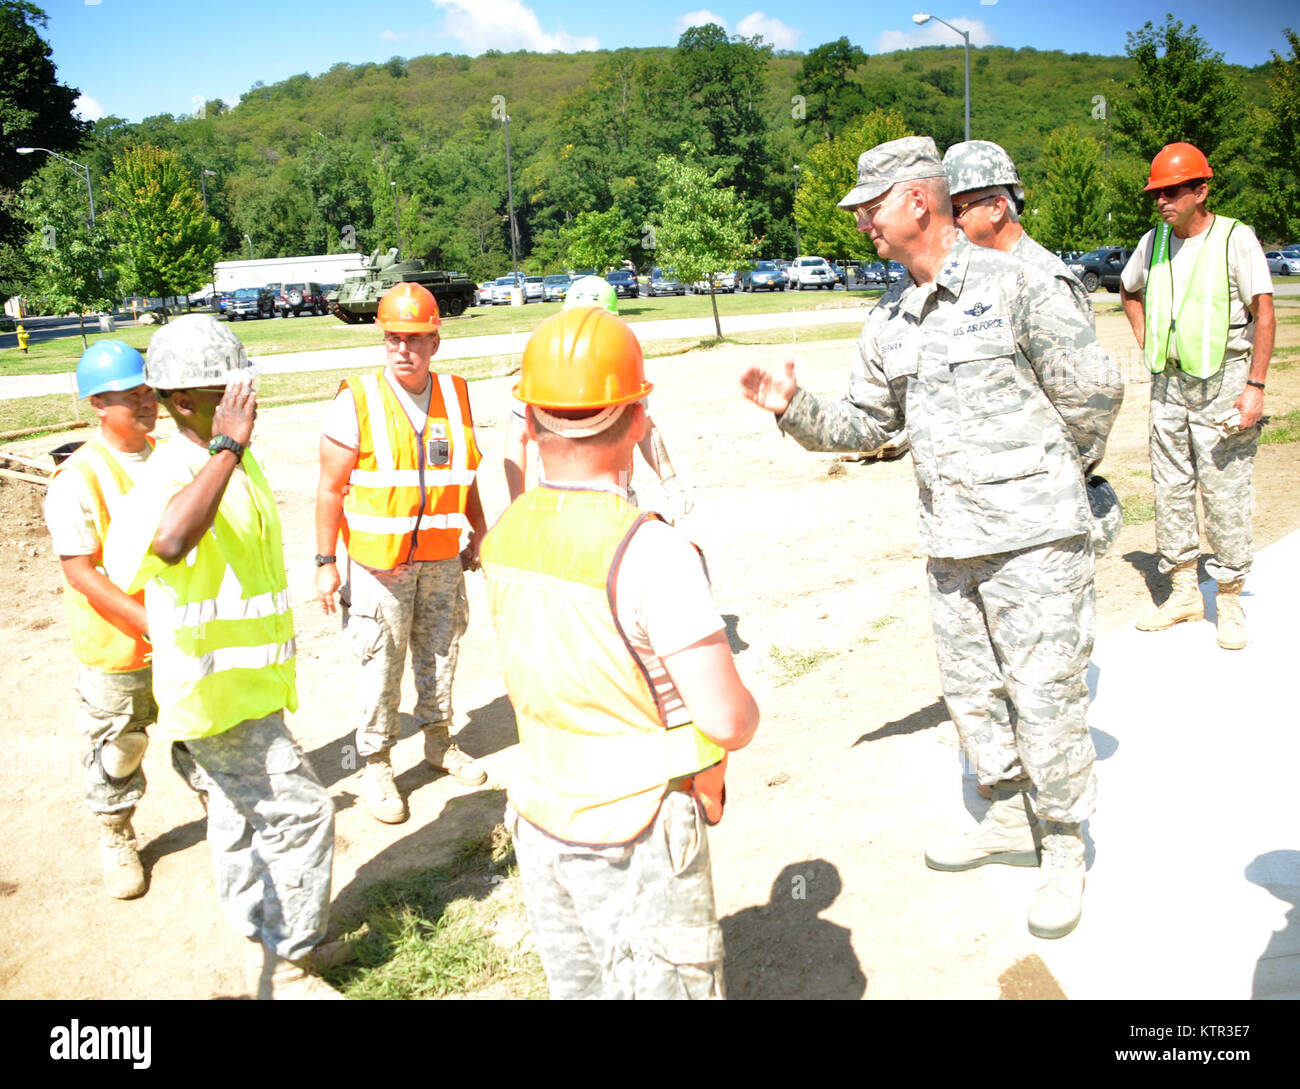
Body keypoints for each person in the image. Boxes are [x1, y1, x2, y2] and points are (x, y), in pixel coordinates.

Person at [739, 136, 1123, 940]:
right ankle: (1010, 818)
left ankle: (1063, 846)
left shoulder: (1021, 280)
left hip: (1035, 541)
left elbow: (1091, 394)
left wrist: (1049, 484)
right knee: (976, 698)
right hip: (951, 545)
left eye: (871, 207)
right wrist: (792, 407)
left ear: (918, 199)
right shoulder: (890, 319)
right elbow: (871, 423)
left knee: (1046, 695)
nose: (861, 224)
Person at [482, 305, 759, 997]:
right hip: (637, 830)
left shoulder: (508, 530)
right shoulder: (652, 551)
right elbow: (729, 720)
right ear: (637, 420)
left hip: (542, 819)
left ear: (531, 423)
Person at [104, 314, 339, 999]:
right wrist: (228, 448)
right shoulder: (178, 469)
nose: (247, 398)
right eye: (229, 389)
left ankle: (252, 943)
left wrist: (231, 447)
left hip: (249, 686)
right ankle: (287, 968)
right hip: (214, 696)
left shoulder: (227, 453)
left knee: (240, 819)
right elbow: (169, 542)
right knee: (302, 814)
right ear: (183, 401)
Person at [315, 281, 488, 825]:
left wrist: (477, 530)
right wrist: (324, 563)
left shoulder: (457, 394)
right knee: (380, 663)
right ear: (382, 337)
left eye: (414, 338)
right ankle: (377, 764)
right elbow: (328, 487)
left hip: (441, 559)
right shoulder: (357, 399)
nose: (403, 349)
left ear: (435, 340)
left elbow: (466, 473)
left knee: (441, 653)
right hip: (377, 566)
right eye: (393, 337)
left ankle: (439, 741)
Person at [43, 340, 202, 899]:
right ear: (96, 404)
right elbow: (83, 573)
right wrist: (148, 621)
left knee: (203, 731)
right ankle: (116, 832)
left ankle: (224, 811)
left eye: (146, 390)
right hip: (119, 647)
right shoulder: (78, 479)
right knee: (121, 745)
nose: (145, 402)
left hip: (186, 633)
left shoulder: (176, 454)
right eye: (128, 395)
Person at [1119, 142, 1274, 650]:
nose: (1162, 200)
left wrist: (1254, 387)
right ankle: (1185, 591)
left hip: (1225, 379)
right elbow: (1129, 290)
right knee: (1171, 486)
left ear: (1200, 189)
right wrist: (1147, 343)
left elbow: (1264, 314)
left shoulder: (1235, 238)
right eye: (1156, 193)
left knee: (1224, 490)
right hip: (1170, 383)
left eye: (1171, 190)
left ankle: (1228, 598)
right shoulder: (1154, 241)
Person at [502, 275, 694, 521]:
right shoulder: (544, 358)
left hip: (614, 495)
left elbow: (646, 430)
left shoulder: (617, 361)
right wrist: (517, 503)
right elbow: (516, 438)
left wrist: (672, 483)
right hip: (565, 501)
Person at [942, 139, 1093, 320]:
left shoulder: (1044, 279)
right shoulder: (967, 271)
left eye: (957, 209)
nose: (950, 221)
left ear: (997, 208)